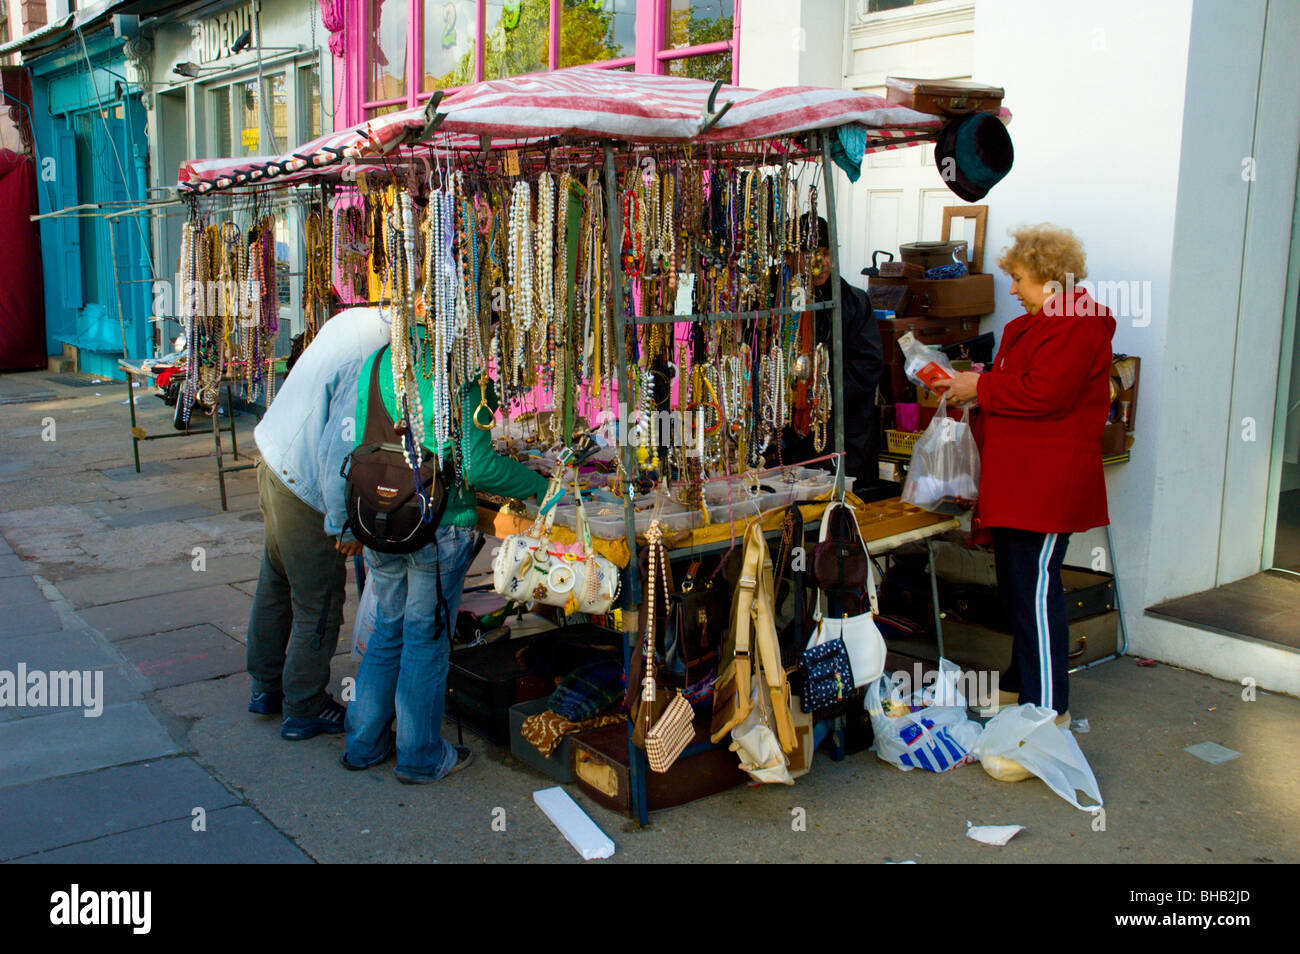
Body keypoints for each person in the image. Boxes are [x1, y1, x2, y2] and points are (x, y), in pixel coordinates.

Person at [324, 338, 549, 783]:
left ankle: (364, 744)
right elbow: (478, 467)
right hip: (437, 522)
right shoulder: (461, 370)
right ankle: (420, 756)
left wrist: (341, 522)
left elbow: (355, 440)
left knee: (389, 629)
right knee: (425, 641)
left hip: (382, 517)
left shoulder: (379, 360)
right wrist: (538, 487)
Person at [936, 224, 1113, 727]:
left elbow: (1046, 393)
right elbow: (1016, 386)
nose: (1011, 289)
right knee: (1019, 588)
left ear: (1048, 277)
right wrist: (969, 388)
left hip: (1046, 485)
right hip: (1019, 482)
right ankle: (1020, 685)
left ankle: (1049, 705)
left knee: (1035, 589)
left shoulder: (1078, 322)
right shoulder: (1029, 325)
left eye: (1017, 278)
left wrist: (982, 387)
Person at [246, 307, 391, 739]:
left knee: (277, 578)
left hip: (276, 456)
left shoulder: (356, 319)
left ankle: (266, 687)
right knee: (321, 598)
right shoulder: (375, 348)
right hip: (303, 479)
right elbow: (337, 448)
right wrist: (344, 524)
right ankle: (304, 704)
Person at [781, 214, 885, 490]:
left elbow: (868, 366)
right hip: (792, 437)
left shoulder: (852, 302)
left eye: (827, 254)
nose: (822, 263)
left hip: (844, 433)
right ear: (792, 257)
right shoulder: (776, 302)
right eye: (813, 253)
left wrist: (816, 394)